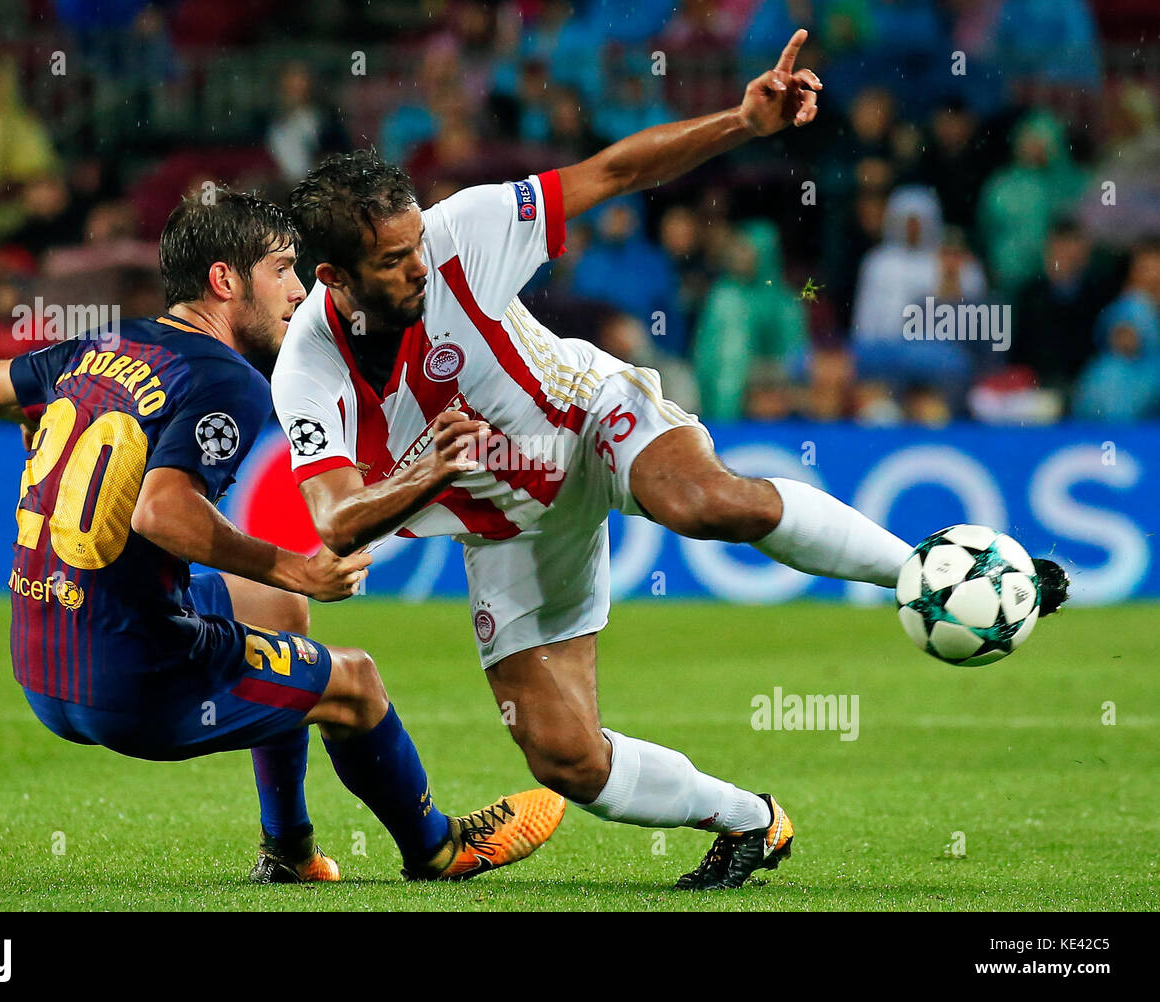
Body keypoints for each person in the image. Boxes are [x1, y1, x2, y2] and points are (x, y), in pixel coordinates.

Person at [273, 30, 1069, 891]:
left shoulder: (462, 230)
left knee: (704, 502)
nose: (420, 269)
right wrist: (426, 473)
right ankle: (751, 820)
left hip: (589, 417)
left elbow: (612, 173)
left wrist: (741, 120)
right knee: (565, 759)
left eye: (416, 247)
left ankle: (934, 572)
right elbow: (335, 522)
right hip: (506, 529)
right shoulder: (309, 364)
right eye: (394, 264)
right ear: (335, 276)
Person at [0, 187, 564, 885]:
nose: (300, 287)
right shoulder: (227, 378)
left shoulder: (106, 343)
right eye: (281, 268)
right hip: (131, 684)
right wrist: (299, 569)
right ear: (225, 280)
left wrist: (41, 424)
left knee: (274, 613)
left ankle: (290, 851)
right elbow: (164, 513)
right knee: (357, 683)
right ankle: (437, 847)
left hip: (42, 667)